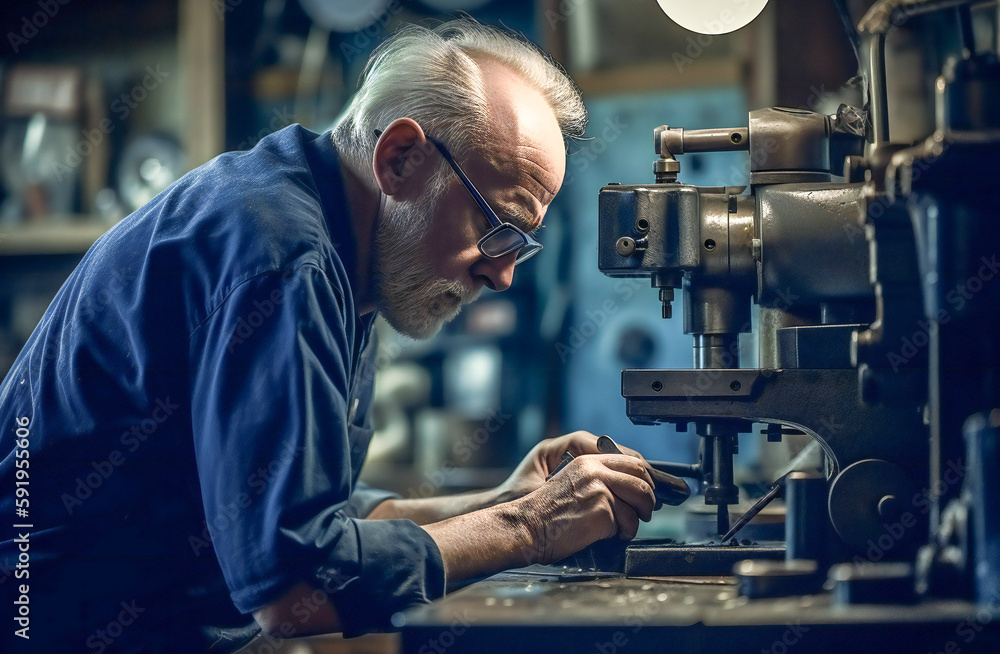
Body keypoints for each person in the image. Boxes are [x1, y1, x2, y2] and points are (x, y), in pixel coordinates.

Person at [0, 18, 656, 652]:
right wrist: (532, 527)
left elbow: (314, 520)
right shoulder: (286, 257)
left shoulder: (349, 253)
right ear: (400, 158)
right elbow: (294, 587)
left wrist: (501, 501)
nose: (504, 275)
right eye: (498, 230)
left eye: (523, 245)